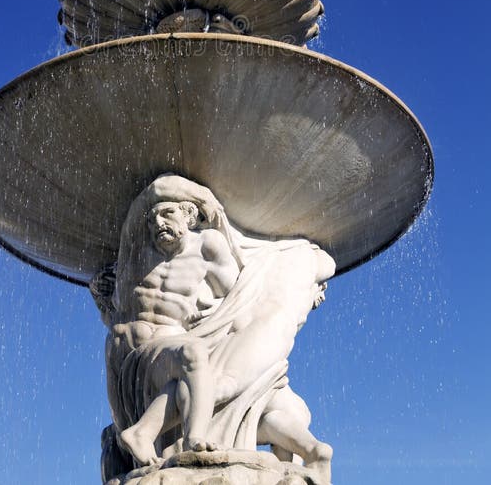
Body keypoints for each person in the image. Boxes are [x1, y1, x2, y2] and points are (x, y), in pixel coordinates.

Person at [93, 173, 334, 481]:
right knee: (197, 359)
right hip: (127, 354)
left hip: (169, 349)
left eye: (167, 213)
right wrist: (206, 198)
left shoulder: (206, 249)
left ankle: (177, 437)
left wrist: (211, 315)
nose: (158, 224)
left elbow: (235, 296)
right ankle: (180, 438)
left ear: (190, 216)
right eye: (152, 219)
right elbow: (153, 192)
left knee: (202, 361)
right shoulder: (136, 252)